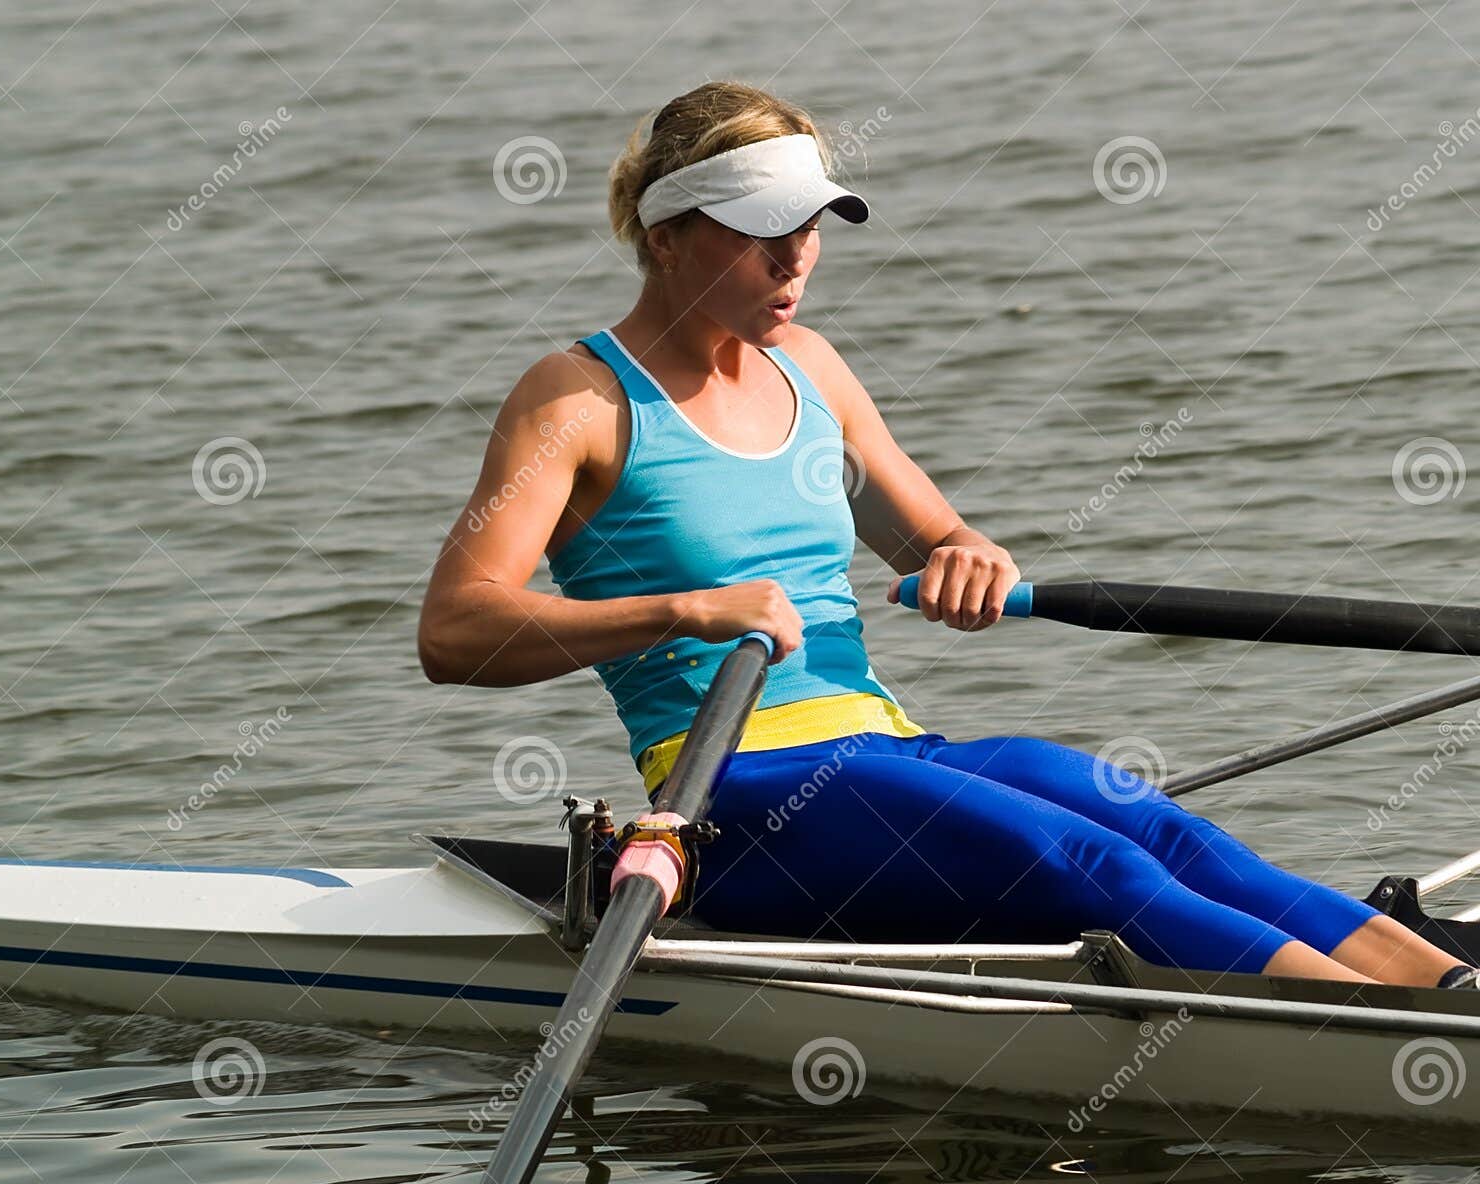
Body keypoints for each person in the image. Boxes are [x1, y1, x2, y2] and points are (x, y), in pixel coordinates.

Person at [419, 80, 1476, 989]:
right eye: (760, 232)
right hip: (731, 803)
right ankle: (1374, 1034)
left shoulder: (814, 371)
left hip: (885, 750)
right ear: (666, 237)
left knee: (1160, 828)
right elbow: (455, 632)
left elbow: (934, 544)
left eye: (812, 225)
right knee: (1083, 861)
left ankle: (1446, 991)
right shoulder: (578, 401)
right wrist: (686, 611)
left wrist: (968, 560)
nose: (796, 256)